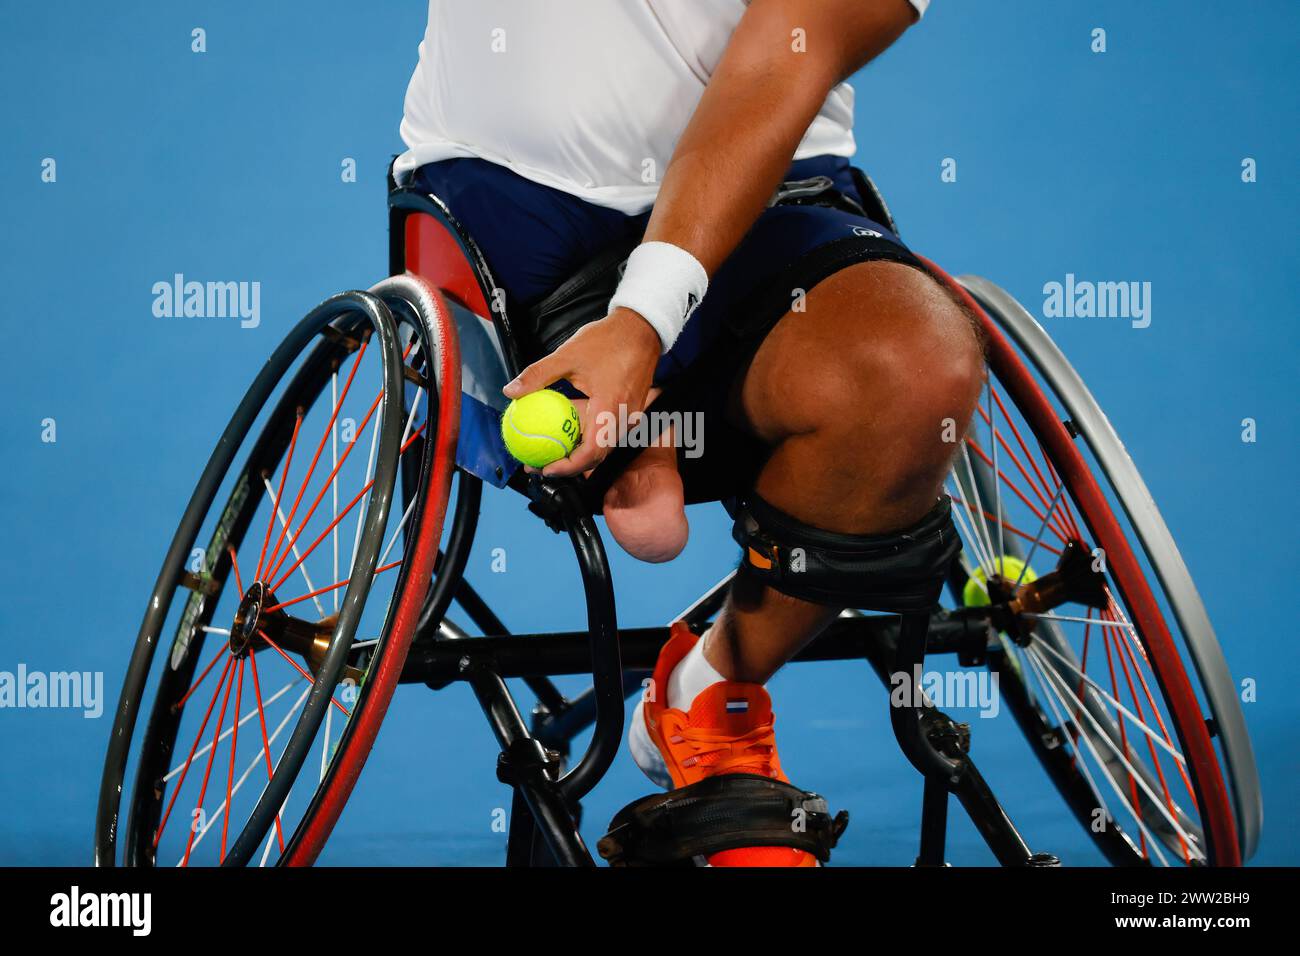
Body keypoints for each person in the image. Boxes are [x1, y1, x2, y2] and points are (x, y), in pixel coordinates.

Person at [396, 0, 982, 866]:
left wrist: (642, 322)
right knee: (623, 475)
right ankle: (643, 432)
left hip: (770, 197)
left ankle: (711, 684)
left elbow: (785, 51)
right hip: (512, 195)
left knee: (919, 369)